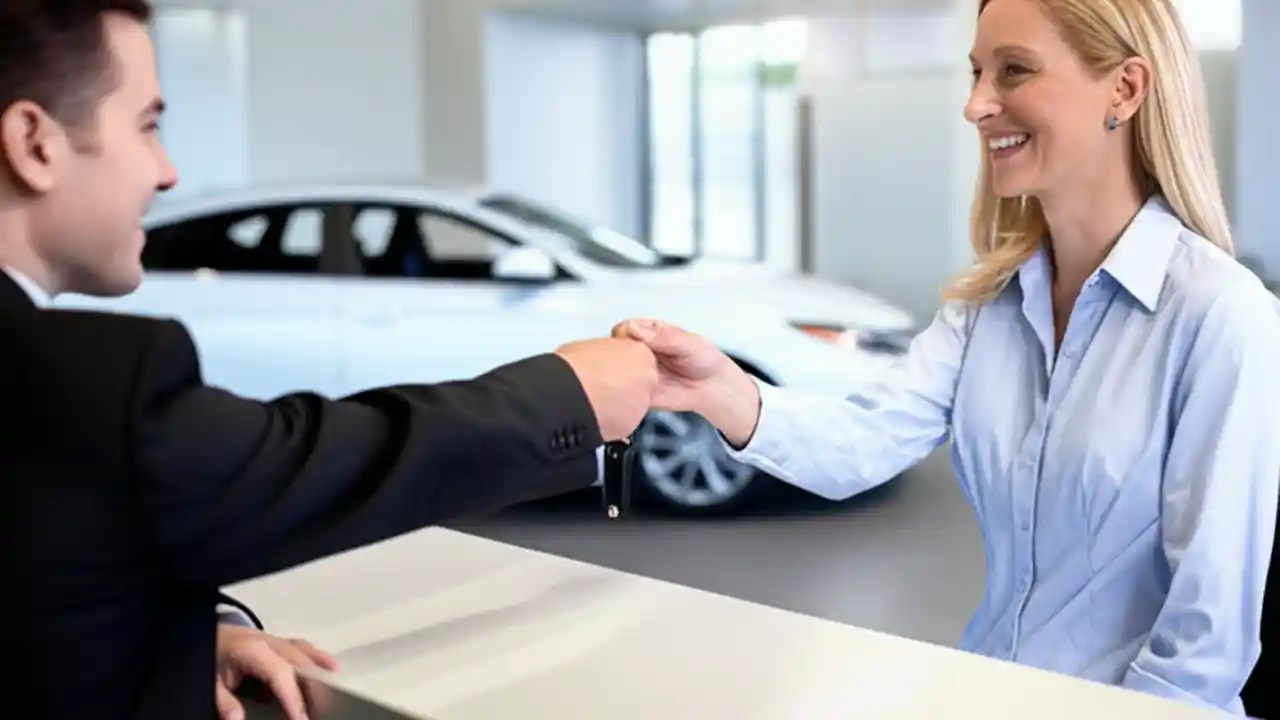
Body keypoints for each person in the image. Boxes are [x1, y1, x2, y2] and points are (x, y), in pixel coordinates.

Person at [616, 0, 1280, 714]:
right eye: (976, 73)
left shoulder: (1219, 315)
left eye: (1013, 71)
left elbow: (1205, 644)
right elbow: (862, 444)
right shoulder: (988, 307)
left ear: (1124, 89)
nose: (975, 105)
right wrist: (723, 390)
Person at [0, 1, 658, 718]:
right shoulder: (83, 381)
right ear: (36, 143)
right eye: (148, 125)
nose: (166, 173)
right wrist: (570, 393)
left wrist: (194, 632)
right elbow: (319, 457)